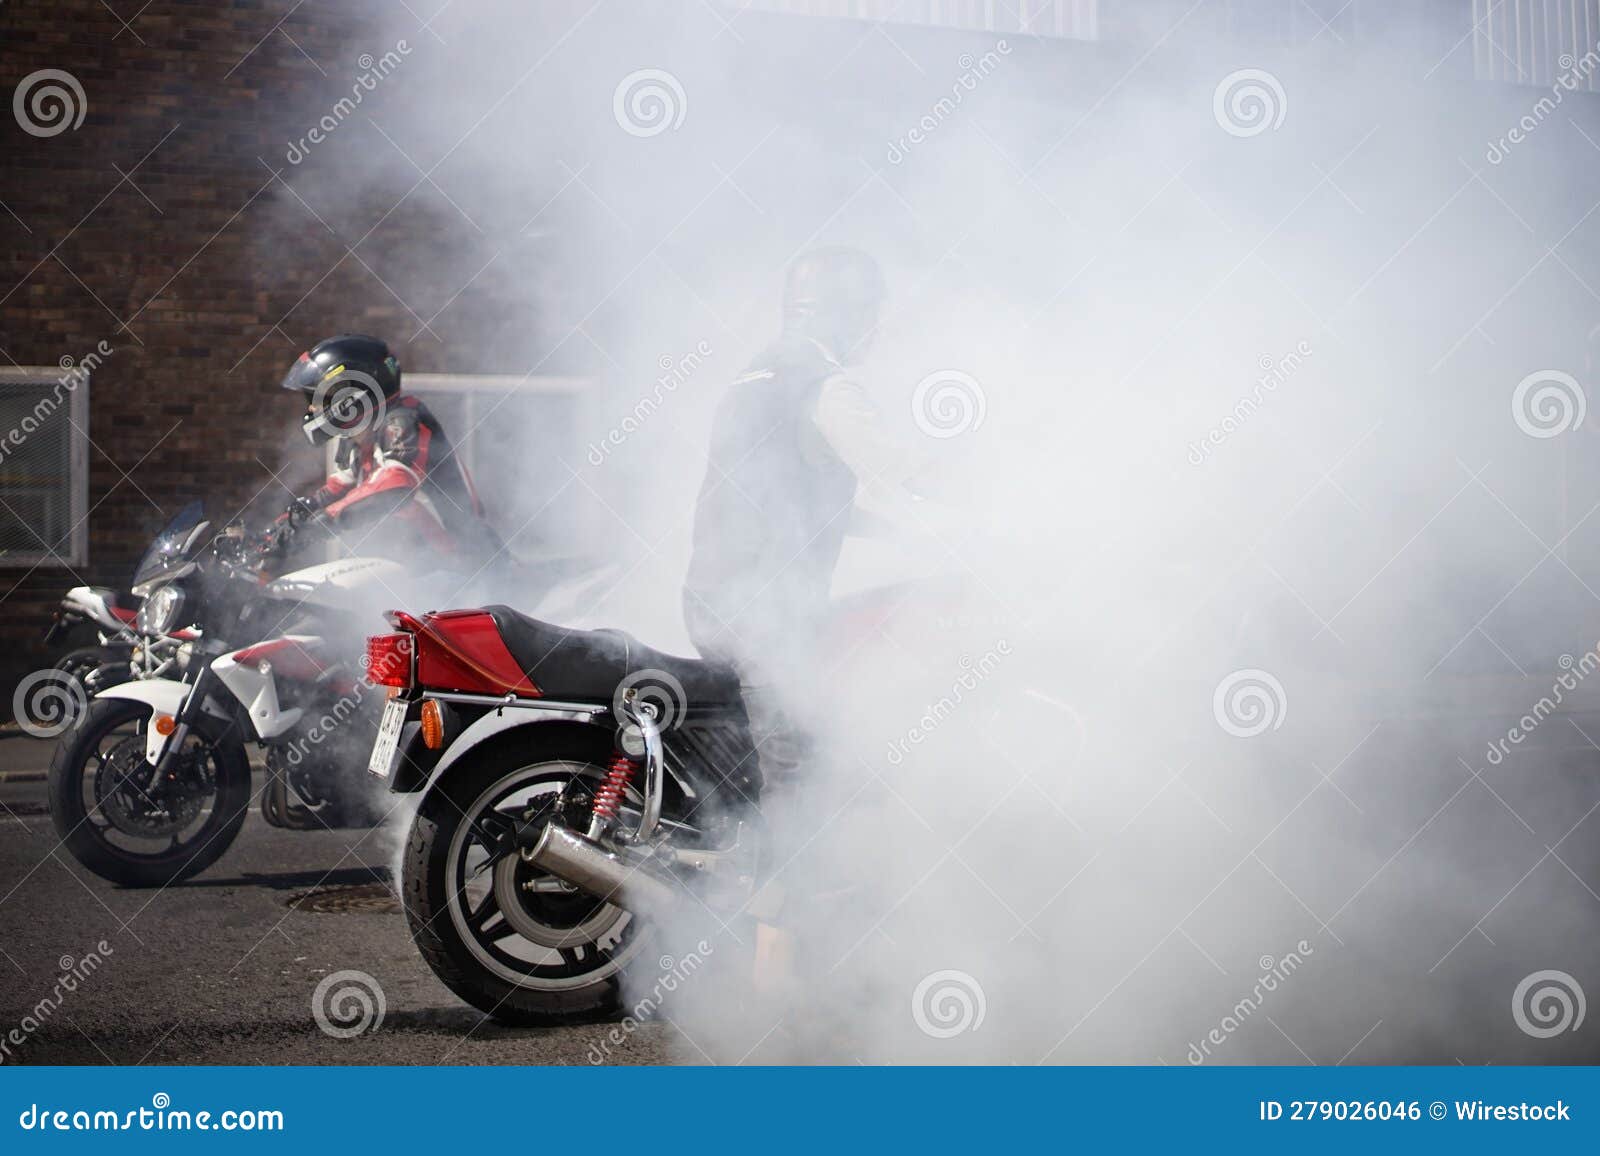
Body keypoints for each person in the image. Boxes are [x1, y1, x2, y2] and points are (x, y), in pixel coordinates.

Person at [681, 246, 924, 986]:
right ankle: (776, 998)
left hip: (715, 601)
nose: (879, 328)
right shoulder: (829, 386)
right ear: (856, 314)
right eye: (874, 312)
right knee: (801, 786)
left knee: (767, 772)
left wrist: (890, 531)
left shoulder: (756, 372)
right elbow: (903, 469)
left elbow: (786, 493)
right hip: (767, 621)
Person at [276, 334, 494, 560]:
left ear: (352, 394)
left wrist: (325, 521)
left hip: (469, 570)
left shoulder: (405, 421)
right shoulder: (357, 439)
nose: (312, 407)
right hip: (423, 569)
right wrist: (278, 532)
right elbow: (334, 494)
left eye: (318, 396)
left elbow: (394, 487)